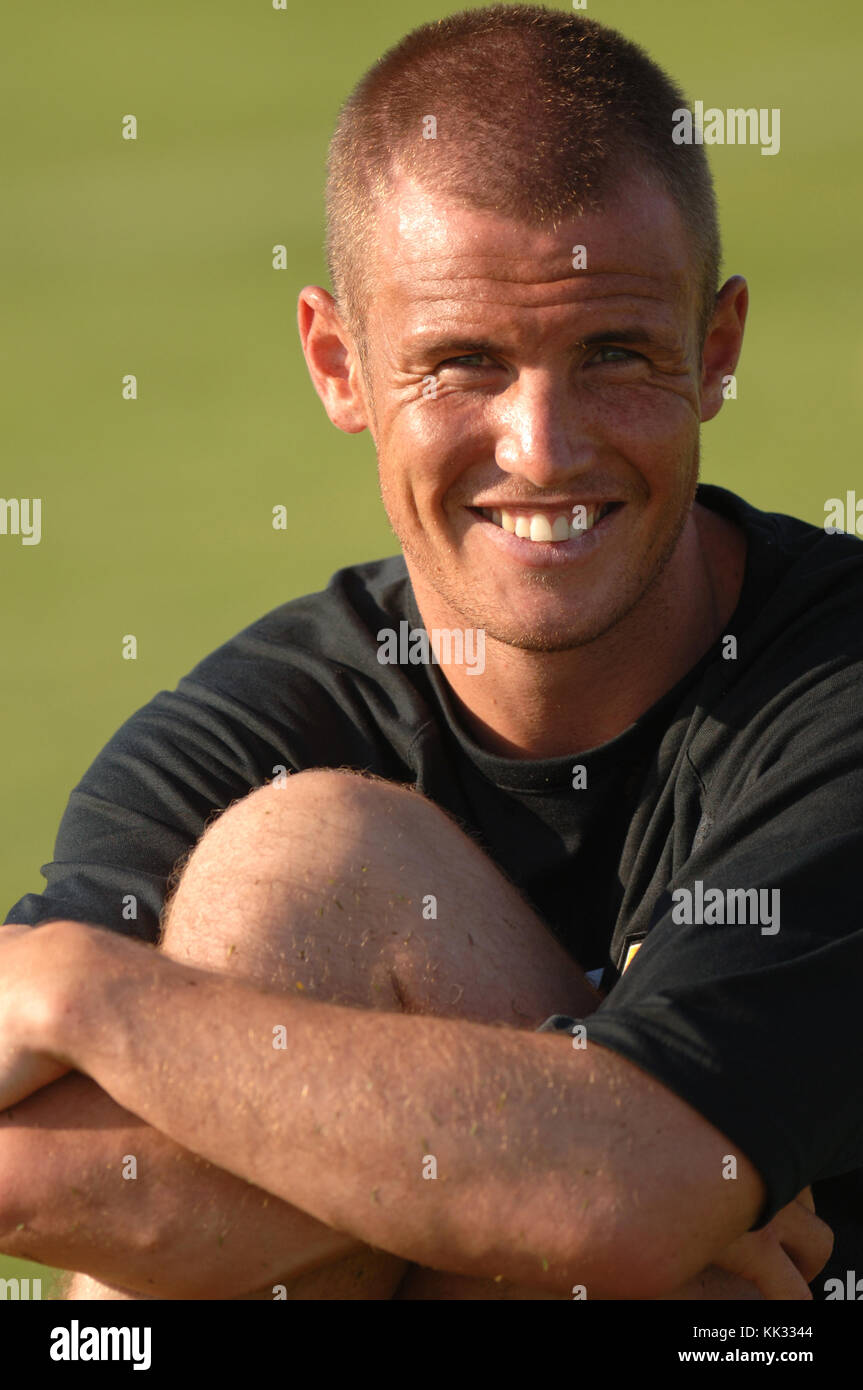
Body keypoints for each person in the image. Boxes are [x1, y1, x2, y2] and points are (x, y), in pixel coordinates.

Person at [1, 5, 859, 1302]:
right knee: (299, 863)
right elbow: (26, 1172)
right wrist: (560, 1168)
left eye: (613, 352)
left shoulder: (837, 683)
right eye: (463, 363)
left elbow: (611, 1207)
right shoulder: (256, 723)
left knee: (316, 869)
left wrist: (82, 990)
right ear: (341, 365)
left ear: (715, 350)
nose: (544, 446)